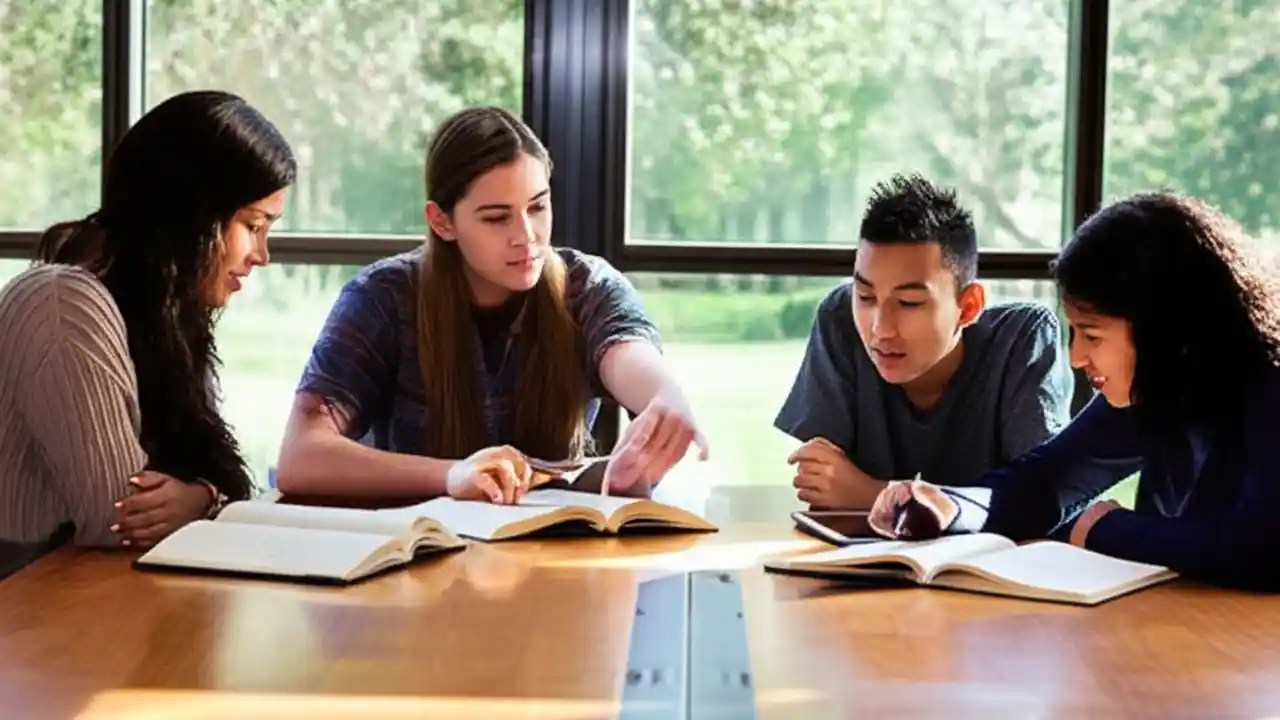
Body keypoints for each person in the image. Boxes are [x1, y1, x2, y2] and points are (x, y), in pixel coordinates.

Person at [276, 106, 706, 503]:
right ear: (442, 221)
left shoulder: (587, 287)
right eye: (497, 217)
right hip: (416, 561)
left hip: (554, 563)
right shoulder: (383, 298)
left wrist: (664, 395)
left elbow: (625, 353)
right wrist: (453, 477)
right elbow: (301, 457)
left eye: (538, 207)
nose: (527, 235)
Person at [869, 192, 1280, 589]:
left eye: (1092, 335)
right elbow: (1045, 480)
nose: (1076, 357)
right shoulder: (1158, 390)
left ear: (1164, 329)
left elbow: (1259, 550)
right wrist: (950, 506)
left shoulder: (1268, 387)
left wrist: (1106, 529)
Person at [0, 90, 296, 577]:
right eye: (253, 225)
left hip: (91, 590)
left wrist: (201, 496)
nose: (262, 254)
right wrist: (205, 500)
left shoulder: (166, 312)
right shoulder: (65, 301)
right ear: (190, 216)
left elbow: (209, 485)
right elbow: (116, 518)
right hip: (27, 596)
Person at [775, 174, 1072, 510]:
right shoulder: (840, 318)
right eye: (866, 296)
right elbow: (823, 482)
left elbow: (1042, 496)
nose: (880, 329)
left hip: (986, 563)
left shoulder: (1022, 337)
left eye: (909, 303)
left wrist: (873, 494)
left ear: (969, 306)